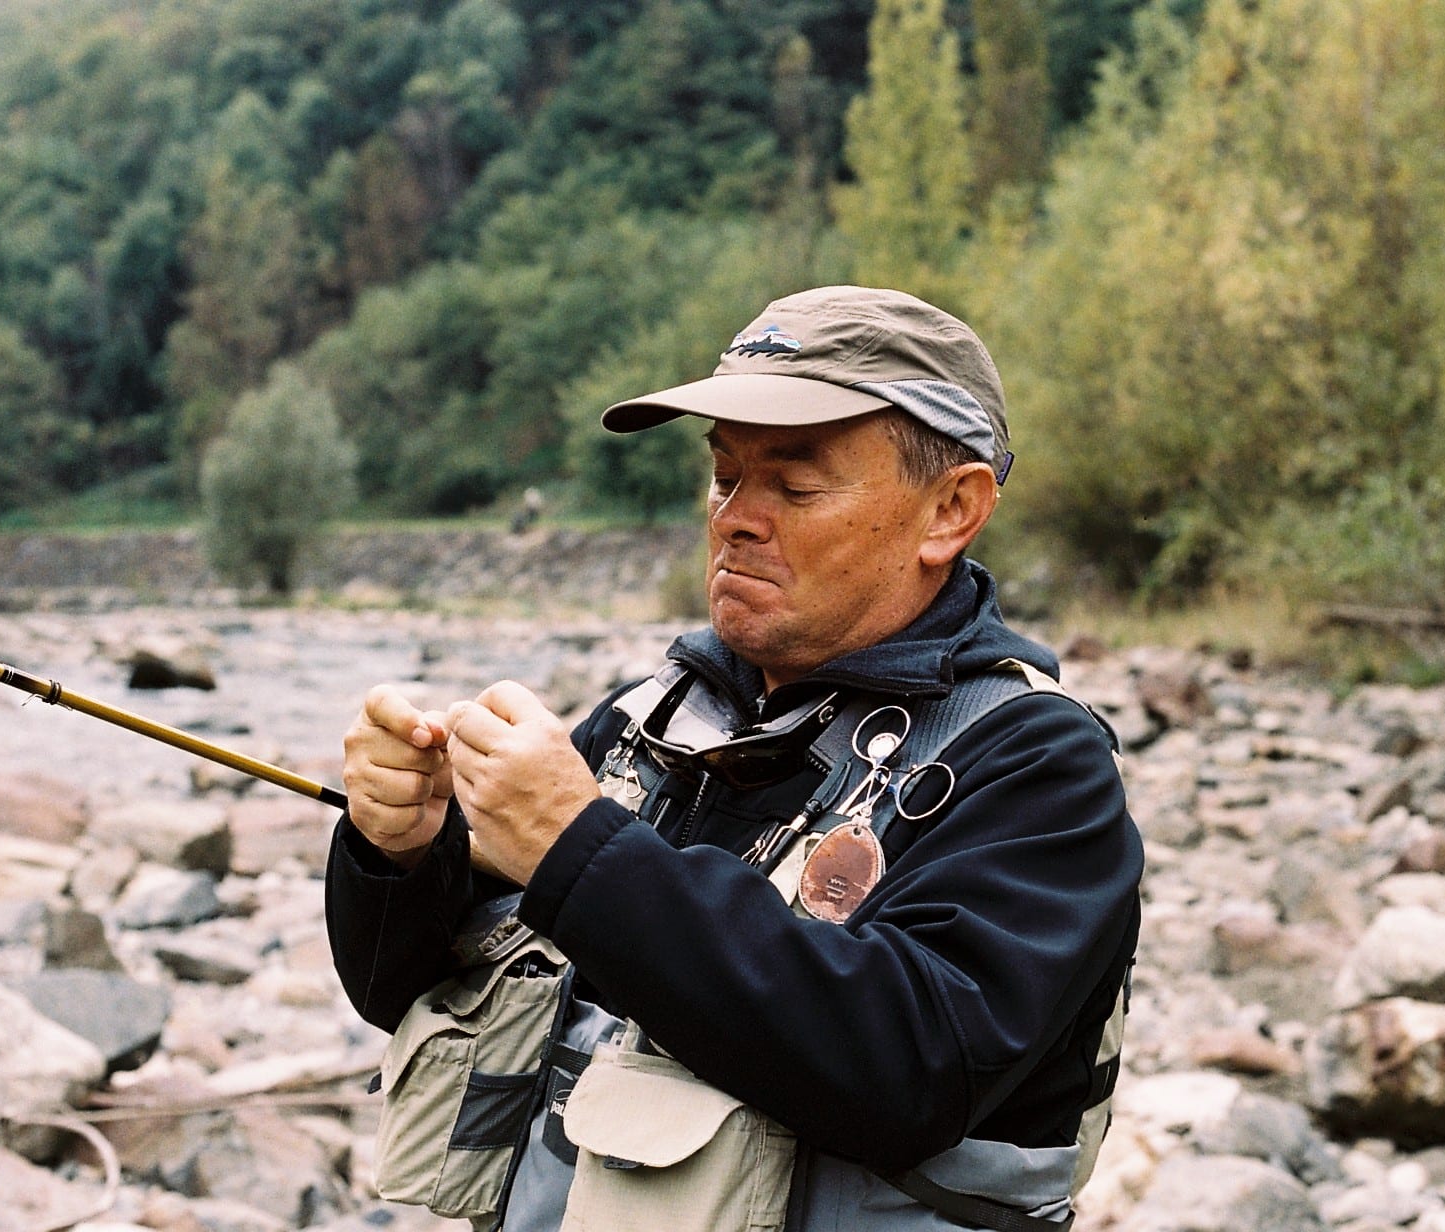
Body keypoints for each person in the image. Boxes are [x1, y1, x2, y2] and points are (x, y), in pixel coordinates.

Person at [326, 285, 1144, 1232]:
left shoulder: (1040, 769)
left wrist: (579, 854)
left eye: (794, 486)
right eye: (724, 478)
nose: (736, 519)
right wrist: (398, 853)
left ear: (950, 511)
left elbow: (912, 1069)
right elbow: (400, 984)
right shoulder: (647, 720)